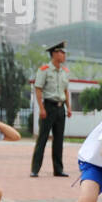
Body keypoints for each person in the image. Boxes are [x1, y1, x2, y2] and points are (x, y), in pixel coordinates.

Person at [30, 41, 71, 177]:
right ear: (54, 53)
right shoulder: (44, 70)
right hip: (48, 107)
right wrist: (41, 108)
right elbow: (38, 89)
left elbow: (66, 91)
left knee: (59, 140)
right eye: (61, 52)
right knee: (42, 139)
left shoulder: (65, 71)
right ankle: (35, 169)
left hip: (61, 108)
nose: (64, 55)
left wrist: (69, 108)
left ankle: (58, 170)